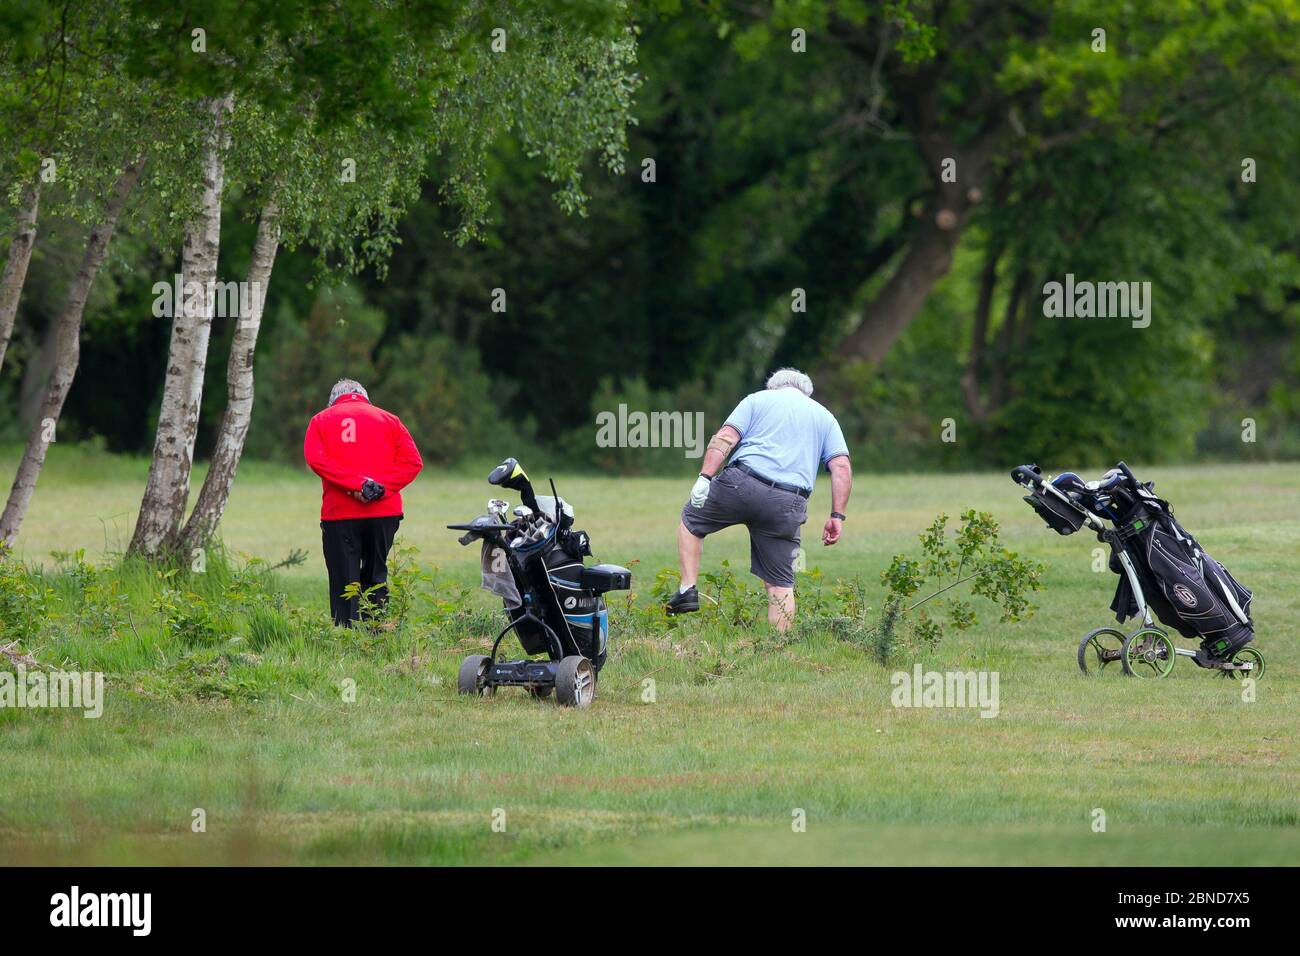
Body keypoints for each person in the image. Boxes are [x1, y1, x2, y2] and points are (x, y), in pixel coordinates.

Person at [668, 368, 851, 631]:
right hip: (789, 502)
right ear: (806, 392)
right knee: (780, 582)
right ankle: (779, 648)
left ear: (772, 387)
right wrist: (837, 516)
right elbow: (841, 466)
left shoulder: (757, 400)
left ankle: (688, 589)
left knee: (692, 521)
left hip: (742, 484)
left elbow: (725, 438)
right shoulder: (825, 417)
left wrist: (705, 477)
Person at [303, 379, 423, 626]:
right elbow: (413, 462)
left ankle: (347, 637)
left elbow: (316, 460)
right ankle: (376, 633)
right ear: (366, 398)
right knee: (376, 575)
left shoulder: (320, 420)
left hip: (340, 515)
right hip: (384, 513)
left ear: (333, 400)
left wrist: (356, 485)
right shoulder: (390, 420)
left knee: (344, 580)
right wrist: (377, 489)